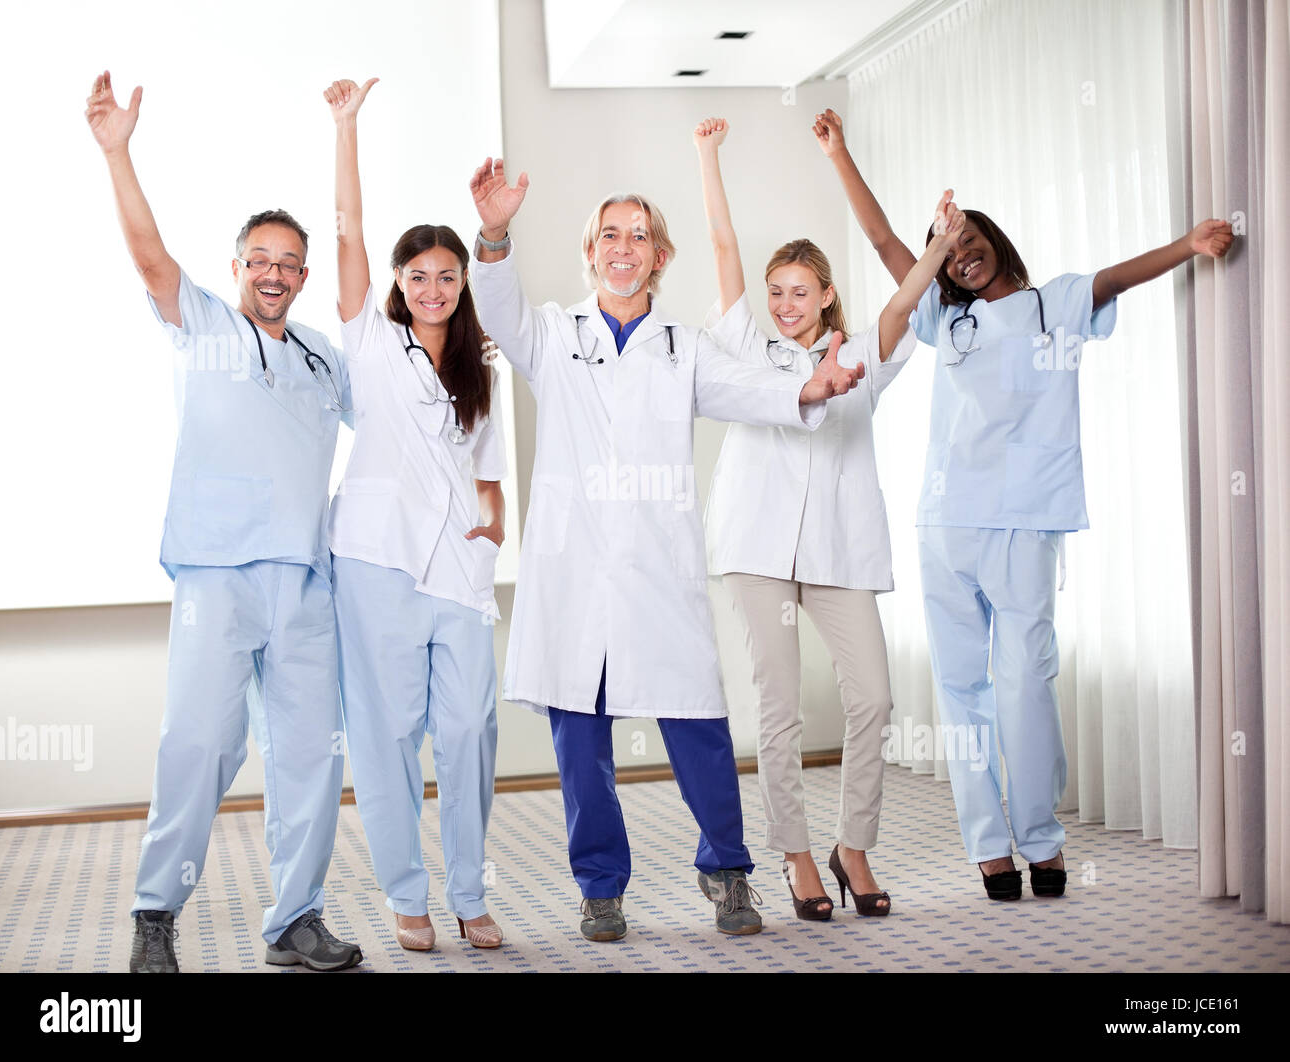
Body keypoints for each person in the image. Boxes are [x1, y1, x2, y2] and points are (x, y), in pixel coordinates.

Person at [812, 107, 1234, 900]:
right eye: (951, 251)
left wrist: (1189, 245)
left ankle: (1041, 838)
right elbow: (883, 247)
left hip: (1028, 526)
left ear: (999, 246)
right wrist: (841, 155)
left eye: (974, 244)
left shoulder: (1056, 305)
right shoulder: (945, 317)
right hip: (946, 526)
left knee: (1025, 685)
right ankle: (990, 851)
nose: (963, 259)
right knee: (963, 693)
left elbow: (1116, 276)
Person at [467, 159, 864, 940]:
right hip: (577, 570)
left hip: (657, 565)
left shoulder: (685, 346)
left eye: (639, 236)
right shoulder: (552, 333)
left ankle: (728, 871)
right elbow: (497, 306)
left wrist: (808, 390)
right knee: (580, 739)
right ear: (591, 252)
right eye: (609, 236)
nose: (623, 248)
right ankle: (601, 886)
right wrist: (492, 232)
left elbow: (753, 388)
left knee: (698, 723)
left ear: (660, 256)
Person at [86, 71, 361, 972]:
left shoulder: (322, 356)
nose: (276, 272)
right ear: (238, 266)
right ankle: (156, 914)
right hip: (215, 575)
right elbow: (148, 253)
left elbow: (392, 398)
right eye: (260, 259)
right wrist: (118, 150)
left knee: (311, 758)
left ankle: (295, 920)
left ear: (303, 274)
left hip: (304, 582)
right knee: (199, 744)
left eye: (291, 261)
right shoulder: (203, 324)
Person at [693, 116, 963, 919]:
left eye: (798, 292)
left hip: (840, 551)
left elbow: (908, 299)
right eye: (775, 292)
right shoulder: (745, 348)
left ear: (827, 296)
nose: (783, 305)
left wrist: (939, 249)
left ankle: (854, 845)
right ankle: (798, 857)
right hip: (756, 549)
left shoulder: (861, 357)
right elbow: (720, 245)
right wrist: (707, 157)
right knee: (779, 705)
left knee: (872, 698)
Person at [324, 78, 506, 951]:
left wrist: (493, 530)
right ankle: (407, 892)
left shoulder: (482, 370)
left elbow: (493, 476)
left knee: (469, 731)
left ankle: (471, 891)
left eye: (447, 276)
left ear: (463, 282)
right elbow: (349, 230)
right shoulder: (369, 338)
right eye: (418, 275)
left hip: (459, 569)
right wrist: (346, 127)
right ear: (398, 281)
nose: (433, 287)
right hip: (375, 563)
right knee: (387, 730)